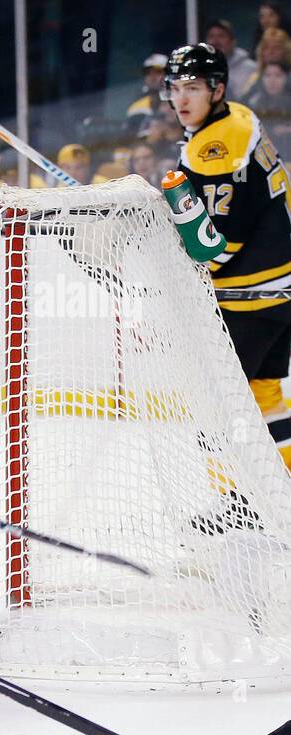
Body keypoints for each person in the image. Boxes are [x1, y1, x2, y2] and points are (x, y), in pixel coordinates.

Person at [166, 43, 291, 473]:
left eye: (193, 88)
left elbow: (219, 246)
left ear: (217, 89)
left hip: (251, 296)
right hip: (279, 290)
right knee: (264, 392)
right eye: (175, 88)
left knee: (213, 396)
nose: (181, 99)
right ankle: (284, 486)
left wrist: (181, 273)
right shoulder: (239, 116)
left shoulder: (216, 147)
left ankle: (228, 499)